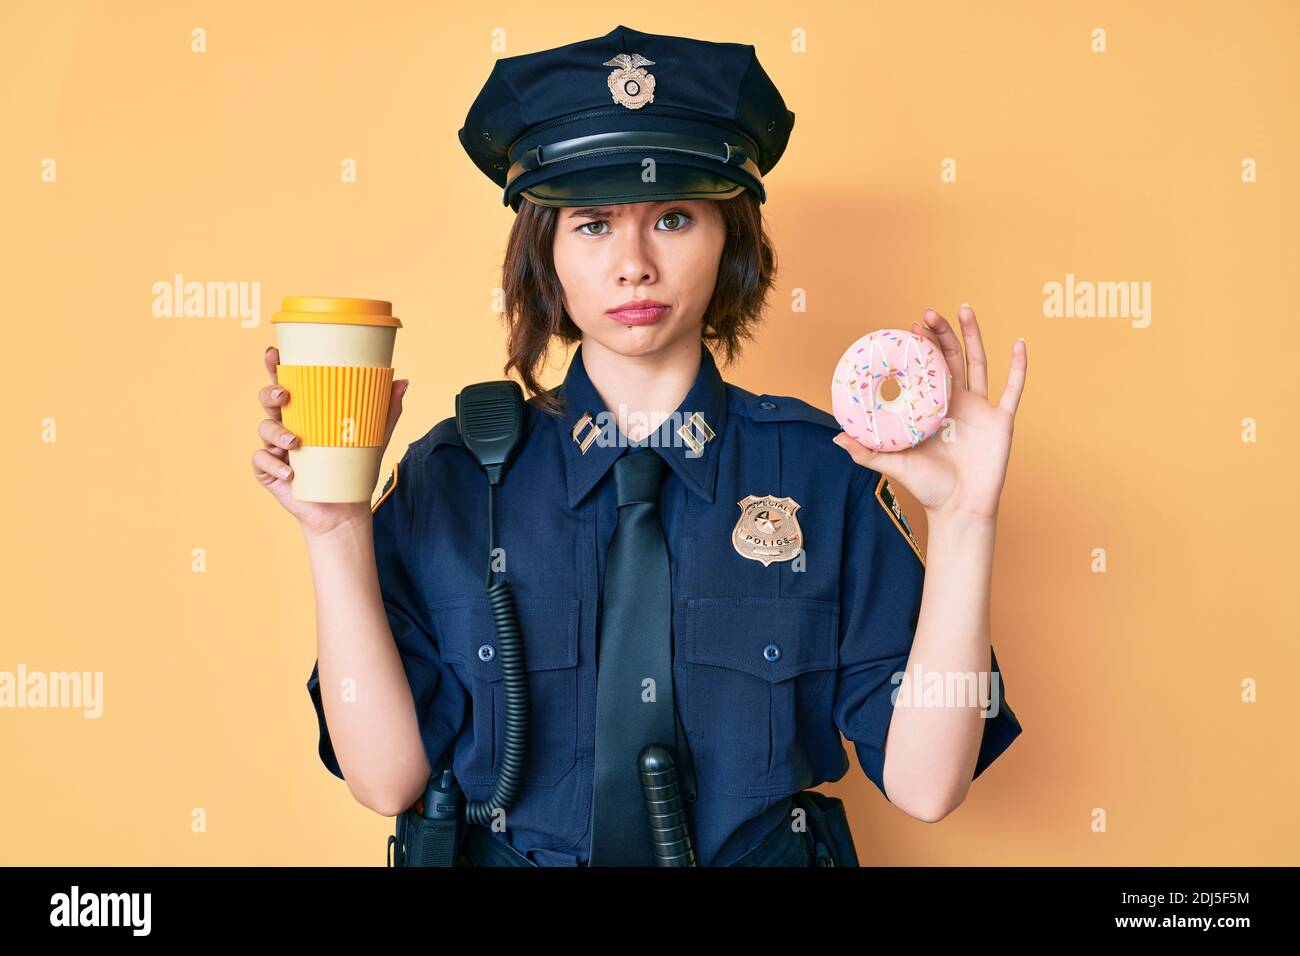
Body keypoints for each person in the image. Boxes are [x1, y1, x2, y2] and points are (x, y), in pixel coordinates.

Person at [252, 24, 1027, 867]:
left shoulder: (823, 470)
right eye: (591, 224)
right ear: (542, 252)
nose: (633, 265)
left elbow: (927, 785)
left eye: (672, 217)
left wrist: (964, 521)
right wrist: (333, 533)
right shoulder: (451, 478)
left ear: (729, 238)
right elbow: (385, 781)